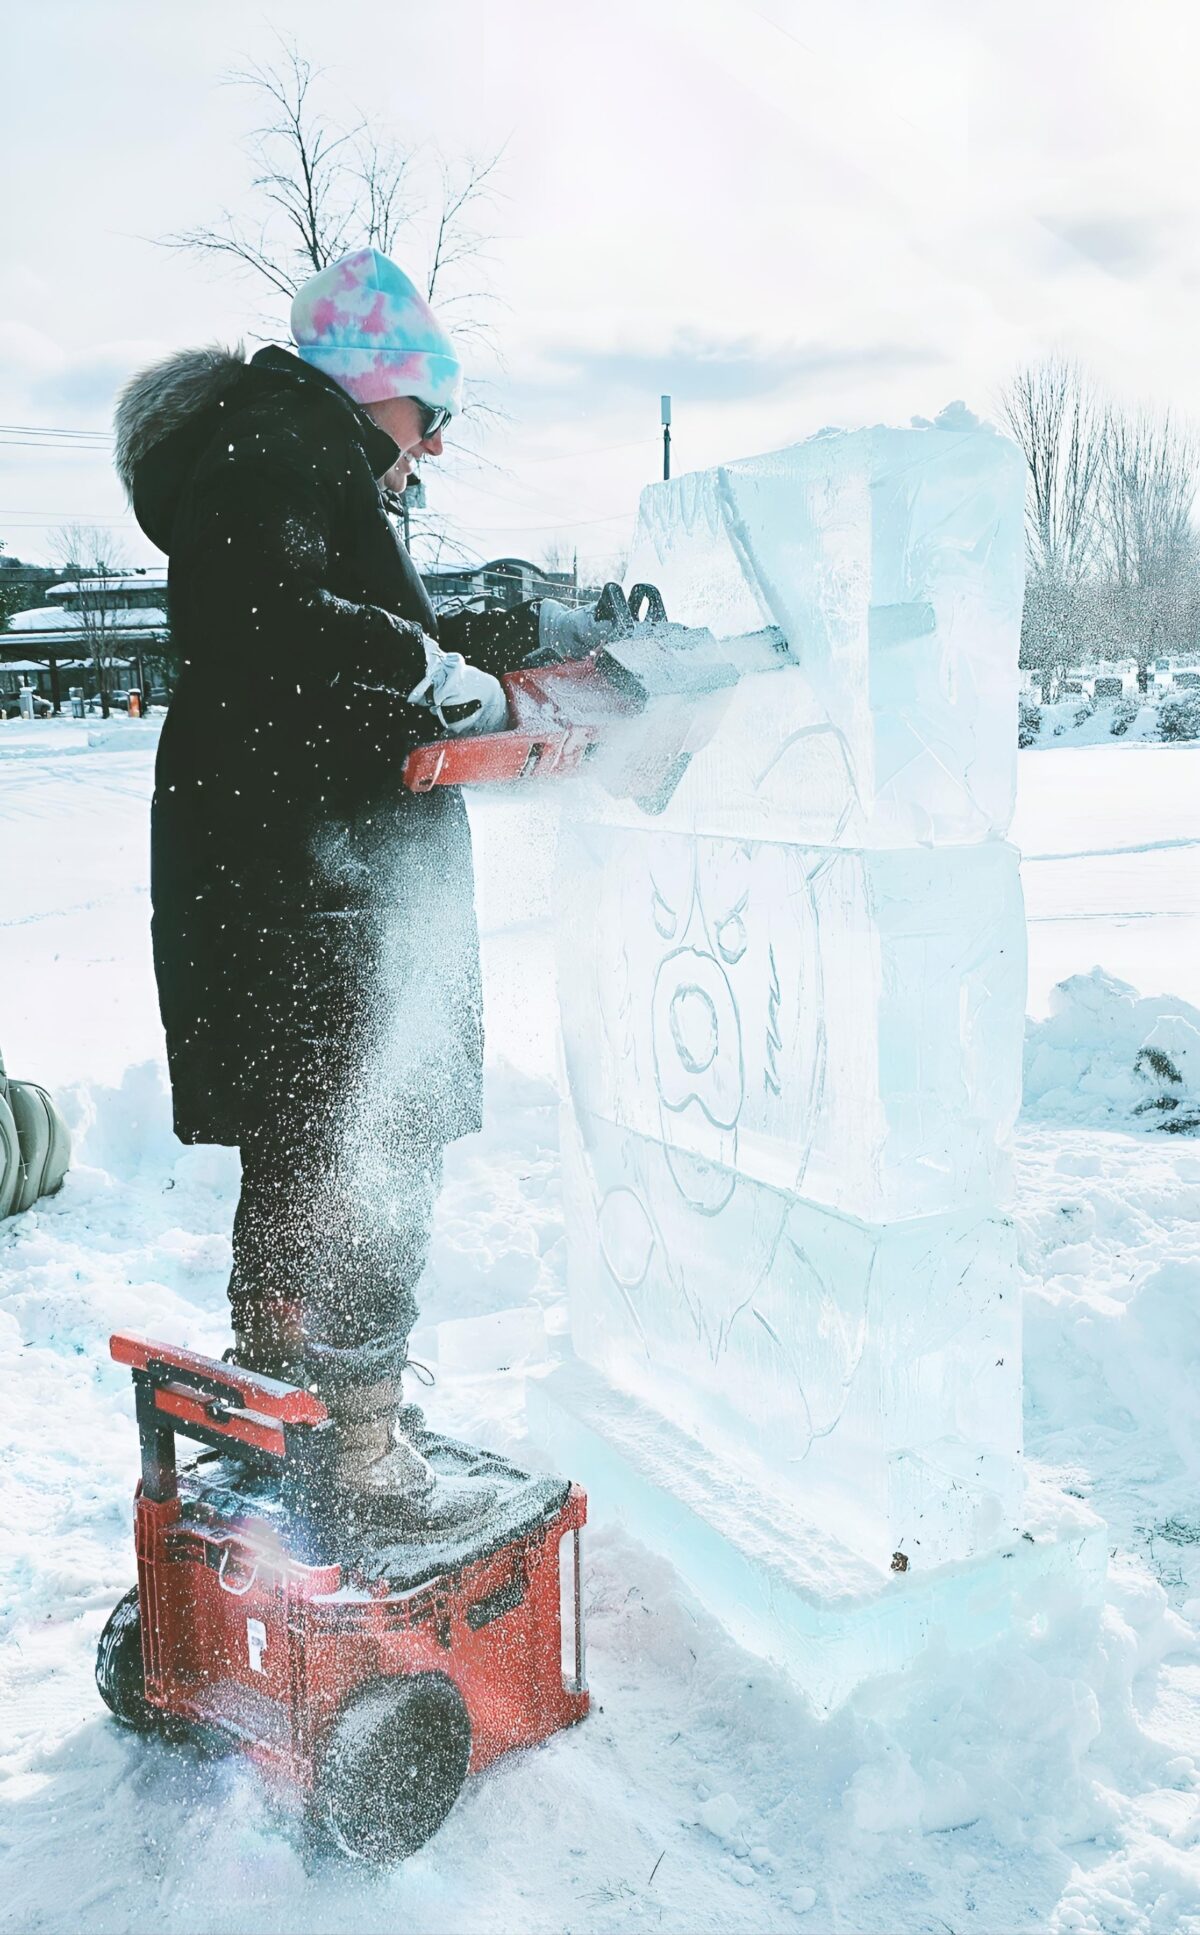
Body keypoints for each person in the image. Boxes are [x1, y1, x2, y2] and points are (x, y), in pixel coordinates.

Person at [114, 247, 602, 1529]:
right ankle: (359, 1448)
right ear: (379, 389)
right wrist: (475, 696)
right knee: (371, 1143)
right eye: (429, 416)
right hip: (326, 903)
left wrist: (526, 648)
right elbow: (313, 635)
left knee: (305, 1147)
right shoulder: (283, 452)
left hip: (291, 885)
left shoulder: (274, 460)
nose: (427, 450)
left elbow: (349, 626)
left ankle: (293, 1407)